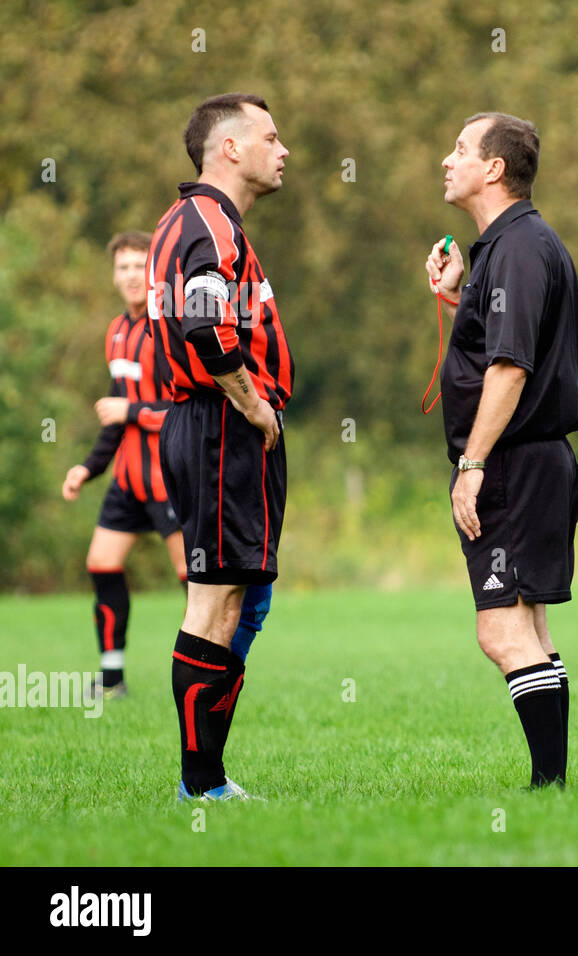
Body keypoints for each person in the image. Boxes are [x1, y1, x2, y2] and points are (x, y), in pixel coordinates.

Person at [426, 112, 578, 789]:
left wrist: (474, 463)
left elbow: (511, 367)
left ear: (494, 168)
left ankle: (548, 786)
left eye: (459, 149)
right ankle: (553, 784)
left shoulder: (518, 248)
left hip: (513, 465)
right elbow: (501, 339)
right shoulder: (507, 247)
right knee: (532, 630)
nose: (446, 159)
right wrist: (458, 294)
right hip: (530, 463)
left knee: (503, 633)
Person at [149, 92, 292, 800]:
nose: (283, 148)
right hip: (220, 427)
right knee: (213, 602)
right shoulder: (208, 223)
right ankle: (199, 785)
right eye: (271, 136)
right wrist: (253, 404)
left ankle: (207, 776)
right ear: (230, 148)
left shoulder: (201, 222)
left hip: (217, 428)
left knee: (243, 599)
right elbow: (206, 328)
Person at [61, 231, 187, 699]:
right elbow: (116, 415)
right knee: (101, 563)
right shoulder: (115, 331)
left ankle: (212, 674)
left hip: (169, 476)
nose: (132, 275)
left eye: (140, 266)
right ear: (114, 275)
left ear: (152, 271)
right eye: (124, 267)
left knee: (194, 580)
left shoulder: (169, 326)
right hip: (127, 480)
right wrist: (88, 468)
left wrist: (131, 412)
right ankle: (112, 679)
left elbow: (186, 406)